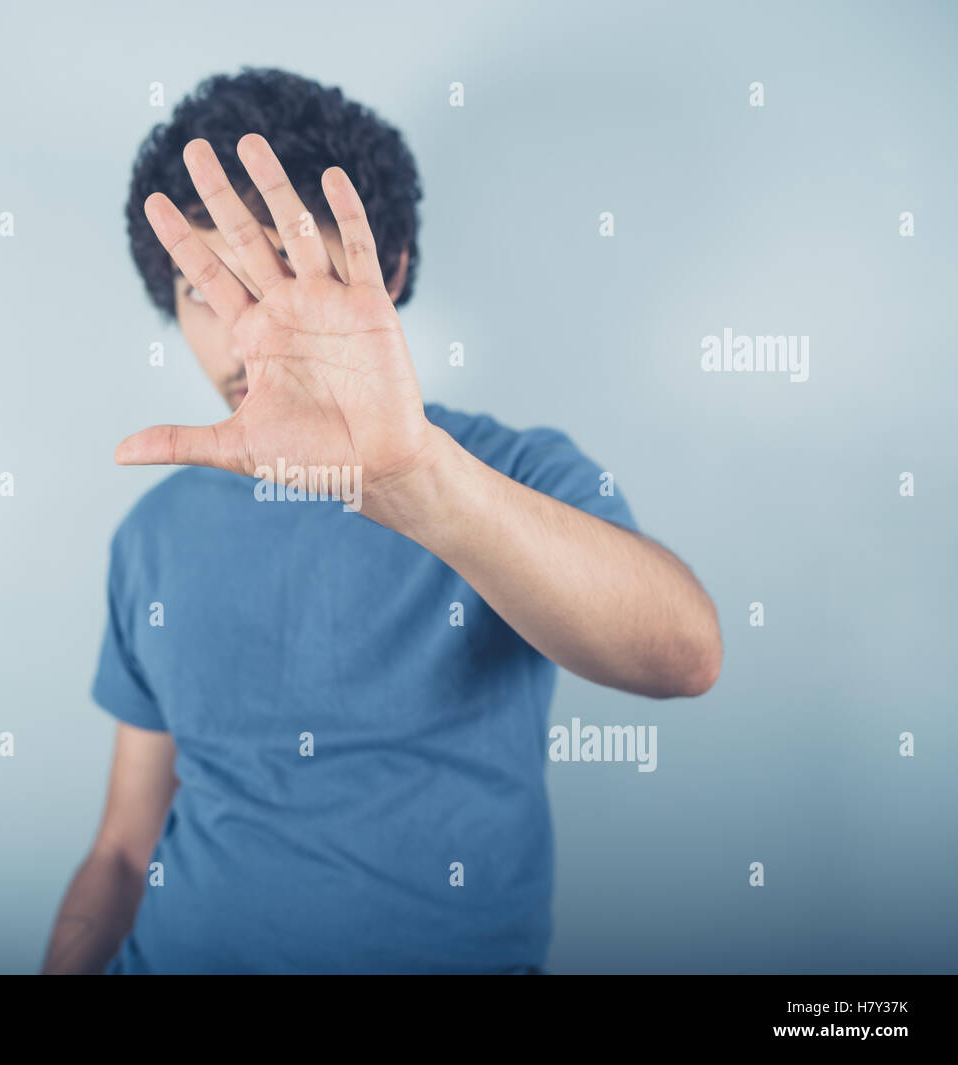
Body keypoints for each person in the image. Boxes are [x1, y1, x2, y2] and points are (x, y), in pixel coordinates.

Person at [42, 68, 722, 975]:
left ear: (388, 269)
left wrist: (420, 483)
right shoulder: (153, 536)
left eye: (280, 268)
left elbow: (683, 655)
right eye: (205, 289)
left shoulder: (508, 472)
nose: (247, 330)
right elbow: (124, 851)